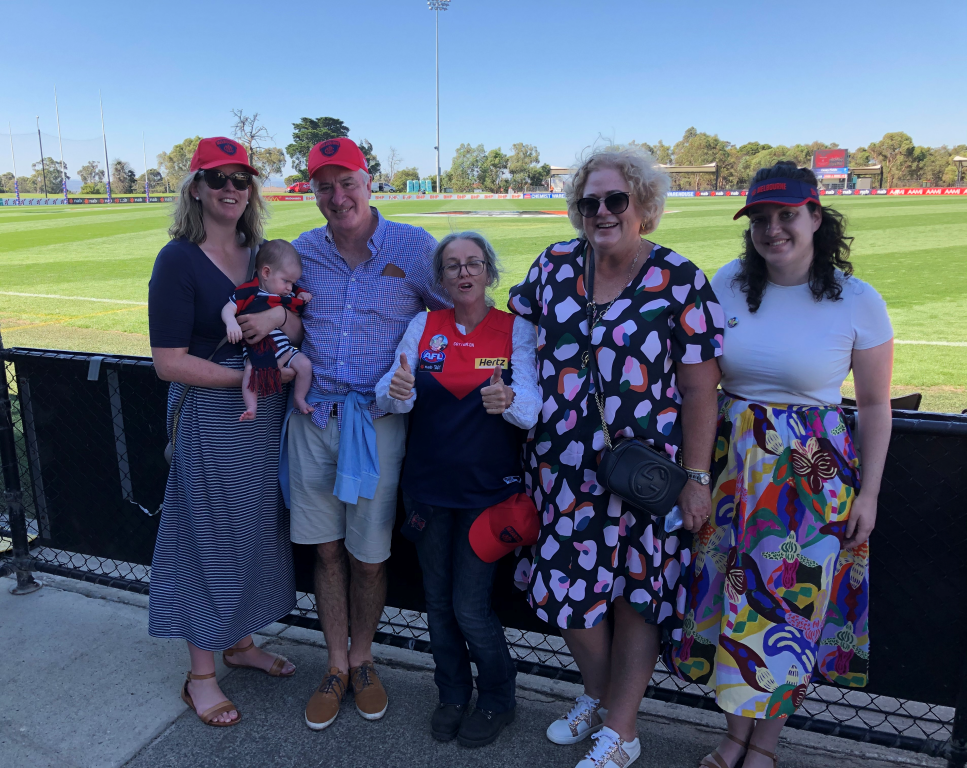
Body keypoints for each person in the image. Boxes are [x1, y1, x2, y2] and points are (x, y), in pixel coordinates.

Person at [668, 162, 893, 768]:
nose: (773, 230)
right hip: (730, 465)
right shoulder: (727, 283)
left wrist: (869, 494)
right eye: (761, 219)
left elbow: (875, 406)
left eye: (787, 215)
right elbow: (698, 379)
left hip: (809, 474)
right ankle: (733, 736)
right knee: (730, 601)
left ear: (816, 217)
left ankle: (763, 745)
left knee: (791, 611)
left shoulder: (857, 300)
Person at [508, 146, 724, 768]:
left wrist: (697, 478)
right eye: (589, 202)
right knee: (566, 591)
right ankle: (602, 699)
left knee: (637, 596)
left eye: (615, 199)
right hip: (560, 471)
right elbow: (519, 339)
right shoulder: (552, 266)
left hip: (643, 475)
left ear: (643, 206)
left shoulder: (679, 279)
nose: (601, 212)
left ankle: (622, 728)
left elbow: (700, 390)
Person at [283, 137, 451, 731]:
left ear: (368, 180)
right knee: (326, 549)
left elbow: (452, 314)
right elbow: (281, 314)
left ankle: (363, 659)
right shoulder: (303, 252)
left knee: (370, 555)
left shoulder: (413, 245)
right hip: (313, 419)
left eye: (346, 182)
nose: (338, 196)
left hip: (378, 424)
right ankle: (334, 664)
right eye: (324, 187)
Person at [148, 137, 302, 727]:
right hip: (214, 415)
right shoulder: (178, 260)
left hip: (262, 417)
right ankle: (200, 676)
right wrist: (245, 379)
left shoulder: (259, 253)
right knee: (209, 536)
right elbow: (168, 362)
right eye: (218, 179)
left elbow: (293, 320)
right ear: (196, 189)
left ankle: (240, 644)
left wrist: (279, 315)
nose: (231, 189)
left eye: (241, 179)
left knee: (256, 529)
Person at [376, 232, 542, 748]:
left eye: (473, 263)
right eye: (452, 266)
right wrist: (395, 391)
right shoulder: (424, 325)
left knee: (470, 607)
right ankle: (451, 693)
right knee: (438, 604)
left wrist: (508, 401)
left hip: (487, 495)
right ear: (441, 278)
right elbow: (390, 391)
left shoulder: (515, 330)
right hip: (427, 490)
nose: (463, 273)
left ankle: (497, 698)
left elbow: (531, 411)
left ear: (489, 271)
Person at [221, 239, 313, 420]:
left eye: (293, 283)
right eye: (286, 281)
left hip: (285, 348)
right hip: (259, 350)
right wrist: (231, 323)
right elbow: (228, 308)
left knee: (305, 365)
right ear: (266, 272)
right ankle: (251, 406)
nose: (290, 287)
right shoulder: (249, 291)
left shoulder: (286, 293)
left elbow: (297, 306)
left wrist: (302, 294)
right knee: (250, 372)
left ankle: (299, 398)